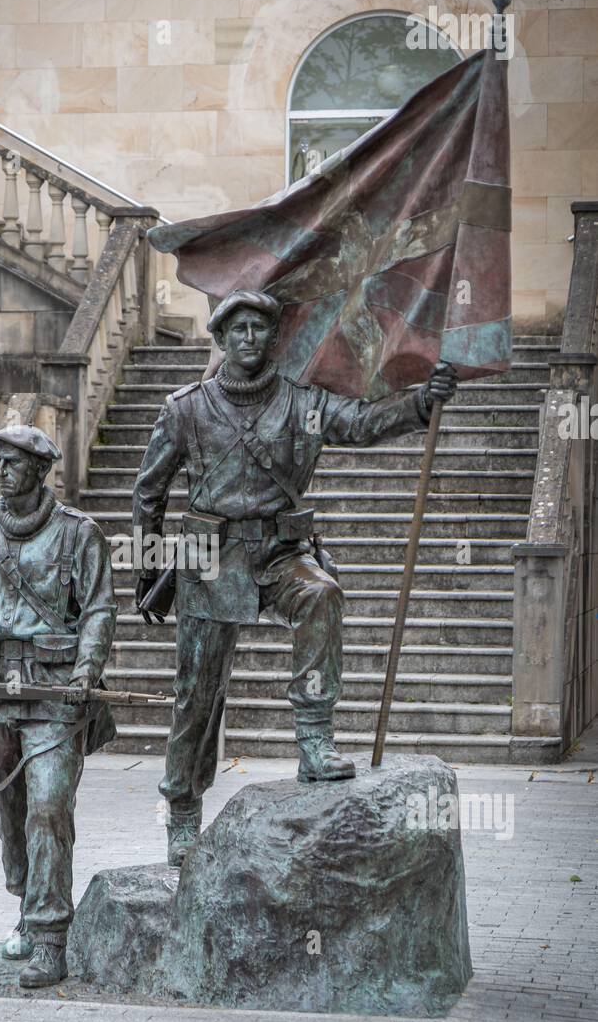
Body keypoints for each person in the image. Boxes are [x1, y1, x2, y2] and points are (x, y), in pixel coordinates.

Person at [133, 289, 457, 867]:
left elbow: (360, 423)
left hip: (281, 552)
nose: (250, 338)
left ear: (273, 336)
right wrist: (150, 567)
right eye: (239, 330)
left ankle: (314, 740)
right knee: (196, 696)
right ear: (221, 339)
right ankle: (182, 813)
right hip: (210, 558)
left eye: (260, 328)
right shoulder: (186, 408)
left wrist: (418, 406)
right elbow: (148, 491)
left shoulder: (301, 404)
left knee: (322, 593)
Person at [0, 425, 117, 986]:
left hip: (56, 692)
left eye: (15, 462)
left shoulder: (78, 534)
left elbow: (98, 609)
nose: (3, 470)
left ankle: (50, 938)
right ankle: (23, 900)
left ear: (42, 470)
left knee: (48, 808)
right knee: (11, 816)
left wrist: (88, 671)